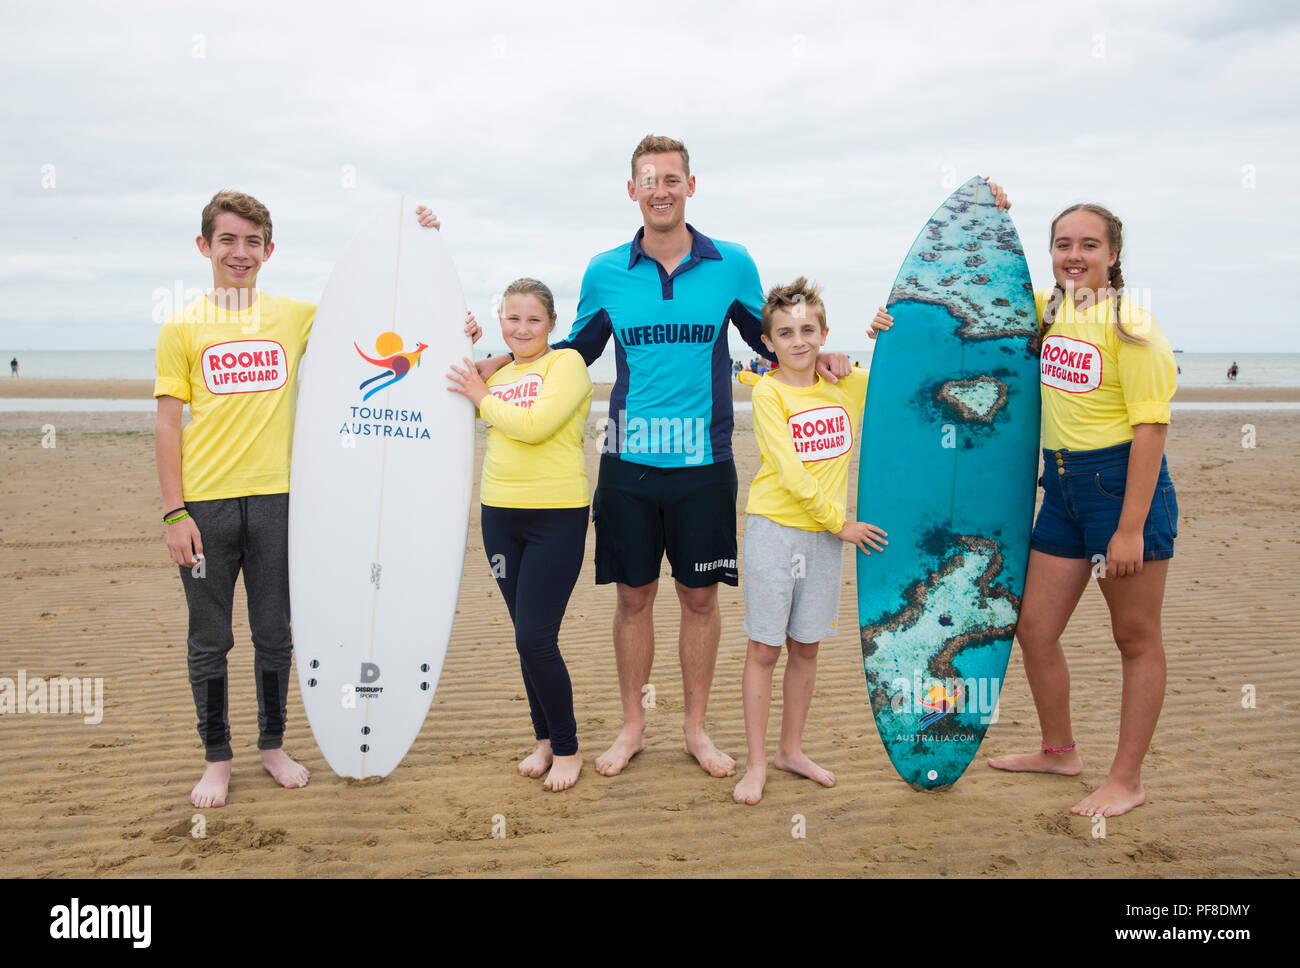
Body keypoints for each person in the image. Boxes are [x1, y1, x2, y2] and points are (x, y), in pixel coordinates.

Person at [475, 134, 851, 778]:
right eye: (648, 180)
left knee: (700, 600)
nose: (661, 190)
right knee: (633, 599)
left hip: (705, 465)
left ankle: (696, 731)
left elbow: (769, 341)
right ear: (632, 191)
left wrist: (826, 359)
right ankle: (632, 726)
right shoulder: (605, 271)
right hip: (628, 466)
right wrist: (503, 358)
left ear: (690, 186)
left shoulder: (730, 264)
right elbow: (576, 350)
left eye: (672, 178)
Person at [155, 191, 471, 809]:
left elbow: (380, 317)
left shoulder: (297, 317)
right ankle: (217, 758)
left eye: (252, 242)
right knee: (209, 638)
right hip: (205, 507)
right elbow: (168, 424)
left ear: (269, 251)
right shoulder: (183, 327)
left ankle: (271, 745)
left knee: (275, 633)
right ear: (204, 247)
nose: (240, 253)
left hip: (280, 505)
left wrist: (446, 309)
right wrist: (174, 512)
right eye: (227, 240)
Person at [871, 188, 1178, 817]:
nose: (1074, 255)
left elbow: (1151, 429)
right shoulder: (1049, 311)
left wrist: (1129, 529)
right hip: (1059, 487)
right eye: (1063, 244)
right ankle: (1059, 749)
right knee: (1034, 630)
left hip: (1119, 486)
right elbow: (970, 322)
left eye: (1088, 245)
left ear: (1113, 254)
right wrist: (899, 327)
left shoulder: (1133, 327)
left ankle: (1127, 779)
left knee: (1135, 637)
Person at [733, 279, 885, 805]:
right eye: (785, 333)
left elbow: (897, 376)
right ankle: (755, 763)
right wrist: (838, 522)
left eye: (807, 330)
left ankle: (790, 750)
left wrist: (881, 335)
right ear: (768, 342)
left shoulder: (845, 386)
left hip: (823, 539)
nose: (798, 340)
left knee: (806, 646)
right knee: (765, 647)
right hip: (776, 529)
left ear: (823, 333)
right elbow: (792, 472)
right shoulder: (769, 392)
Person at [446, 278, 593, 792]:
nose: (523, 328)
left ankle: (569, 747)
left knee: (536, 636)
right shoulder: (499, 369)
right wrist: (454, 335)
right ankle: (545, 741)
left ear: (552, 323)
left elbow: (534, 426)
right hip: (499, 516)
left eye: (534, 319)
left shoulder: (567, 364)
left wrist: (483, 398)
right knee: (523, 638)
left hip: (556, 515)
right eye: (513, 318)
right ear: (500, 323)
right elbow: (438, 386)